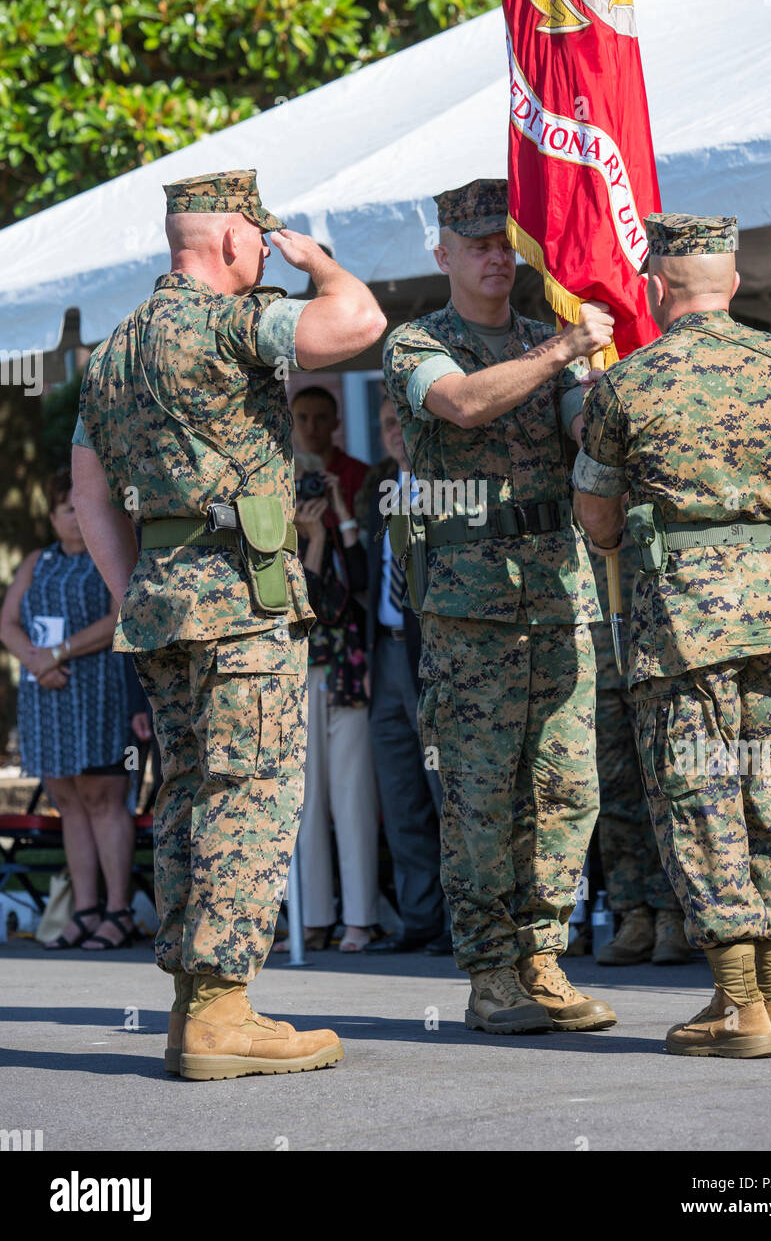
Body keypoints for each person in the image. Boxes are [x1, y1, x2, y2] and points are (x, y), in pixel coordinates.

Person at [71, 168, 386, 1081]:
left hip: (164, 602)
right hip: (243, 603)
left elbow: (92, 497)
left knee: (189, 798)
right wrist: (318, 260)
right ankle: (221, 1011)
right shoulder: (226, 324)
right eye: (258, 240)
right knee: (249, 796)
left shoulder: (116, 348)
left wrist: (140, 589)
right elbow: (358, 322)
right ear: (235, 242)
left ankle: (189, 1006)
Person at [576, 213, 771, 1059]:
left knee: (702, 798)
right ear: (731, 279)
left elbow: (598, 518)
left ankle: (735, 1005)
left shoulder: (627, 382)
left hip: (683, 625)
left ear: (656, 285)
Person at [383, 177, 618, 1034]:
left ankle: (542, 959)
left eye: (501, 242)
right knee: (481, 795)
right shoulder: (419, 343)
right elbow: (461, 404)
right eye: (474, 242)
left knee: (567, 788)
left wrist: (605, 379)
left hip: (556, 594)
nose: (492, 256)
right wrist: (564, 353)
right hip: (471, 609)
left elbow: (583, 432)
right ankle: (489, 971)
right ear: (442, 253)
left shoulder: (541, 333)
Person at [0, 468, 150, 950]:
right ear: (52, 515)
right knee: (69, 805)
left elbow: (117, 618)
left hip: (98, 691)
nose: (75, 517)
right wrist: (37, 662)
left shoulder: (108, 556)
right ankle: (84, 909)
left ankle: (118, 910)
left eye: (82, 508)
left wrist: (56, 654)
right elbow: (7, 622)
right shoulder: (36, 562)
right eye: (67, 509)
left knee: (105, 802)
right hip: (46, 698)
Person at [361, 395, 448, 955]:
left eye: (405, 421)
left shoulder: (448, 489)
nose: (397, 432)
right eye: (388, 422)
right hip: (384, 657)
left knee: (448, 796)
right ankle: (418, 919)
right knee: (401, 798)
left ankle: (463, 924)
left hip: (435, 656)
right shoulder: (376, 491)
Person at [286, 468, 380, 954]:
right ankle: (313, 920)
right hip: (298, 676)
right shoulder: (279, 539)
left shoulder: (344, 532)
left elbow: (361, 582)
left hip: (347, 676)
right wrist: (311, 539)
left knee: (352, 800)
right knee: (305, 803)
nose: (310, 502)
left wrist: (339, 517)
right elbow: (308, 603)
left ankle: (360, 921)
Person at [588, 535, 690, 966]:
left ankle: (672, 913)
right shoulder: (580, 503)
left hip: (654, 663)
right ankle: (633, 914)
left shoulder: (647, 503)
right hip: (598, 666)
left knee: (665, 788)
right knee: (614, 796)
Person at [291, 385, 369, 516]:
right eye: (303, 418)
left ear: (336, 424)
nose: (311, 428)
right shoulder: (280, 476)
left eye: (320, 418)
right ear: (290, 423)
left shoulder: (360, 475)